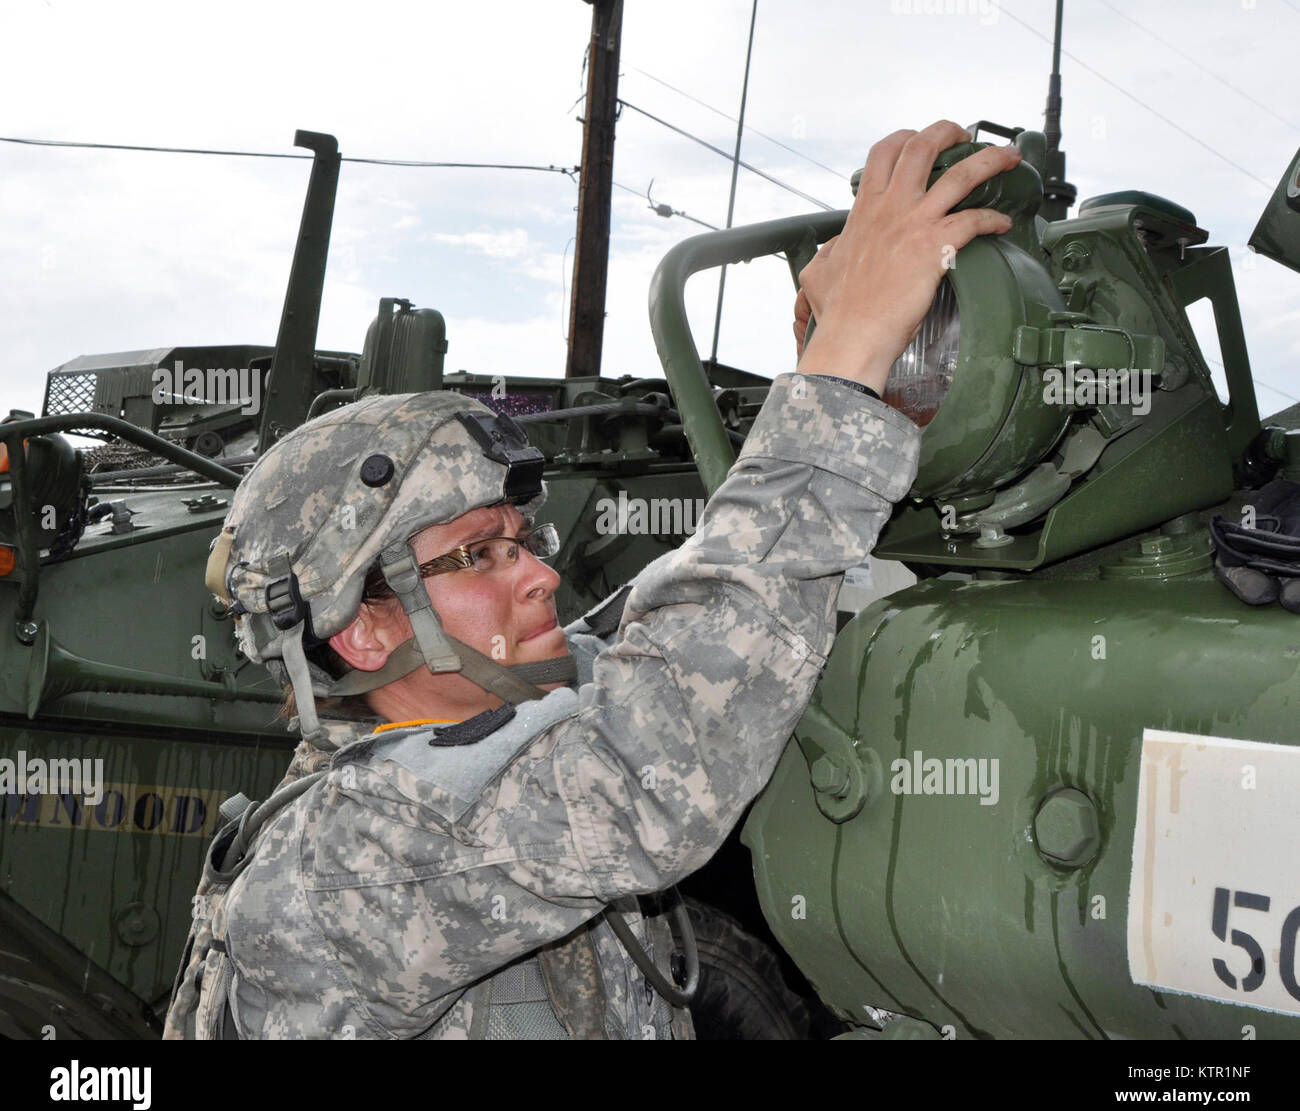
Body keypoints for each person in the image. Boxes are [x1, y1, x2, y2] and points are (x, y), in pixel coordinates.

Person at [165, 121, 1021, 1039]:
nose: (539, 574)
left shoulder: (492, 720)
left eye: (524, 540)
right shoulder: (344, 863)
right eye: (480, 555)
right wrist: (843, 356)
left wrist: (863, 367)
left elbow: (667, 625)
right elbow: (658, 749)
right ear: (363, 628)